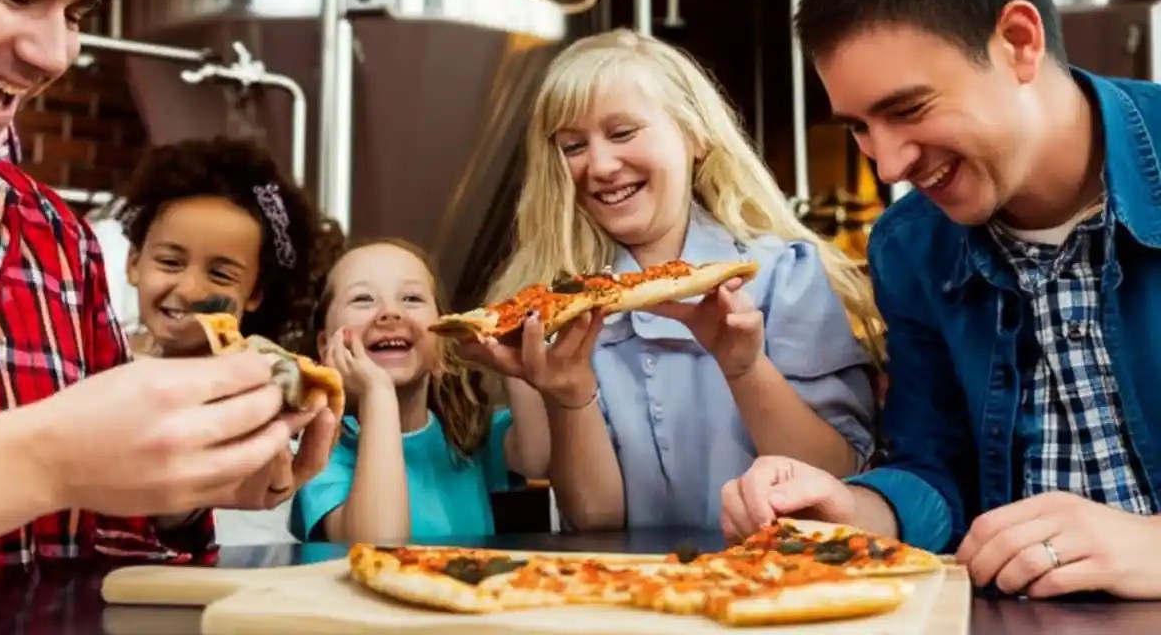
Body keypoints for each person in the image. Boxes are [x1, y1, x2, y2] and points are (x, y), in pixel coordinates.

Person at [0, 0, 336, 628]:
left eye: (74, 13)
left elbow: (102, 549)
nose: (55, 52)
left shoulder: (57, 238)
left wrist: (178, 487)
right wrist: (45, 460)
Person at [720, 0, 1161, 600]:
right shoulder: (909, 246)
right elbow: (939, 469)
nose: (890, 163)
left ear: (1018, 42)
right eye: (862, 127)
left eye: (910, 109)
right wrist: (854, 512)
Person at [461, 29, 882, 532]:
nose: (599, 165)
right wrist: (567, 394)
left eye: (622, 134)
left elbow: (841, 476)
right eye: (573, 146)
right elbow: (596, 520)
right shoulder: (555, 307)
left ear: (695, 136)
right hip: (637, 593)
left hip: (779, 581)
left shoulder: (783, 274)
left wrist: (746, 369)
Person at [118, 136, 346, 544]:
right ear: (134, 263)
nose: (188, 289)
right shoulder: (95, 371)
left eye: (220, 274)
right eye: (170, 262)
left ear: (255, 292)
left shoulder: (270, 391)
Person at [292, 239, 548, 542]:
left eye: (411, 298)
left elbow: (538, 458)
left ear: (442, 342)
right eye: (362, 299)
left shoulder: (467, 437)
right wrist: (378, 394)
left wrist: (514, 363)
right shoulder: (319, 452)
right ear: (325, 346)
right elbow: (379, 544)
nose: (389, 313)